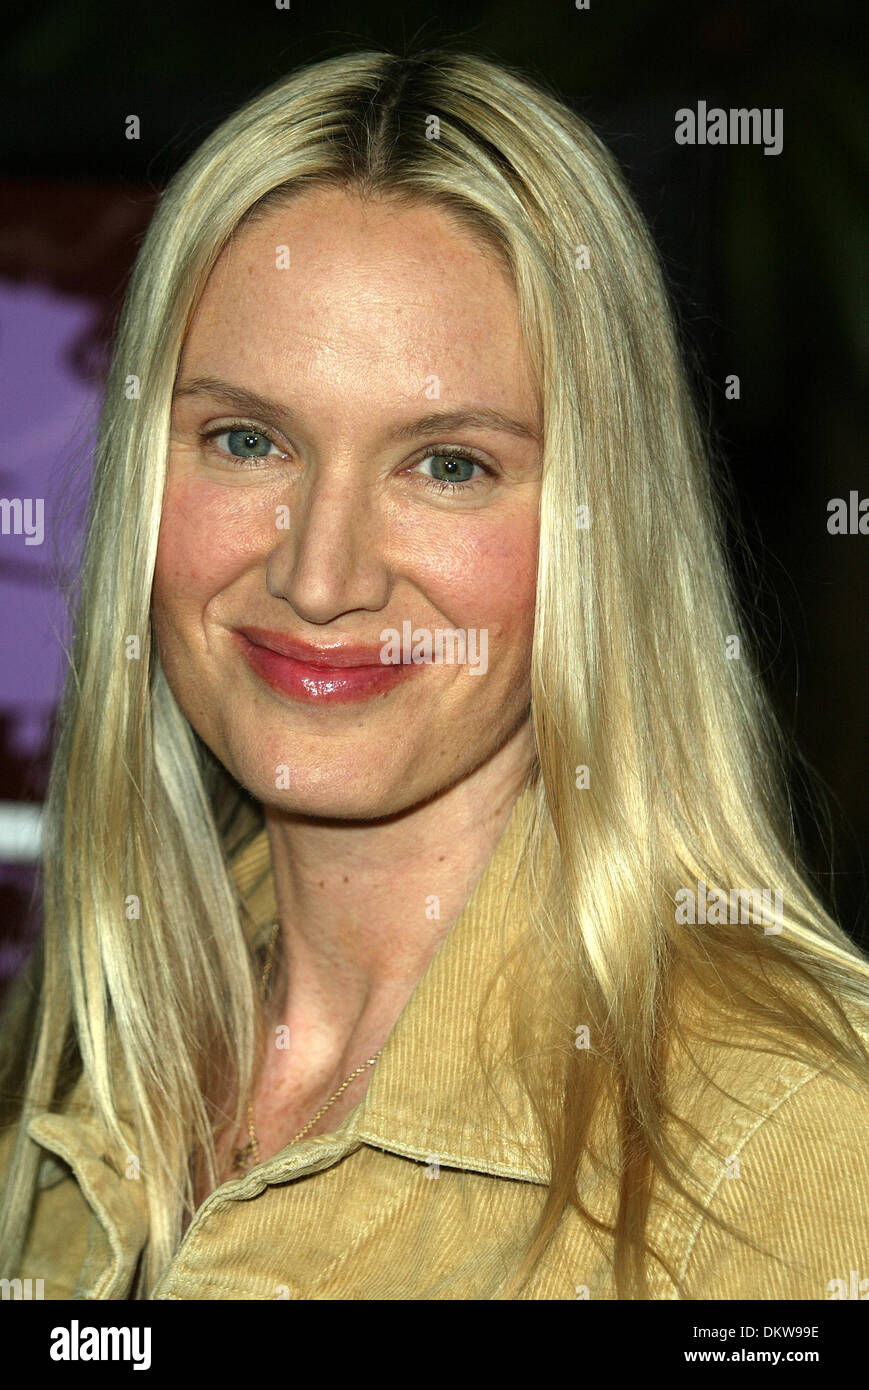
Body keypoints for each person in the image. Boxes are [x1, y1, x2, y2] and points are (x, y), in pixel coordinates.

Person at [0, 47, 866, 1302]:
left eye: (447, 463)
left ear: (602, 525)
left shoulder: (792, 1156)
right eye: (245, 440)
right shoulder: (71, 1060)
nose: (320, 573)